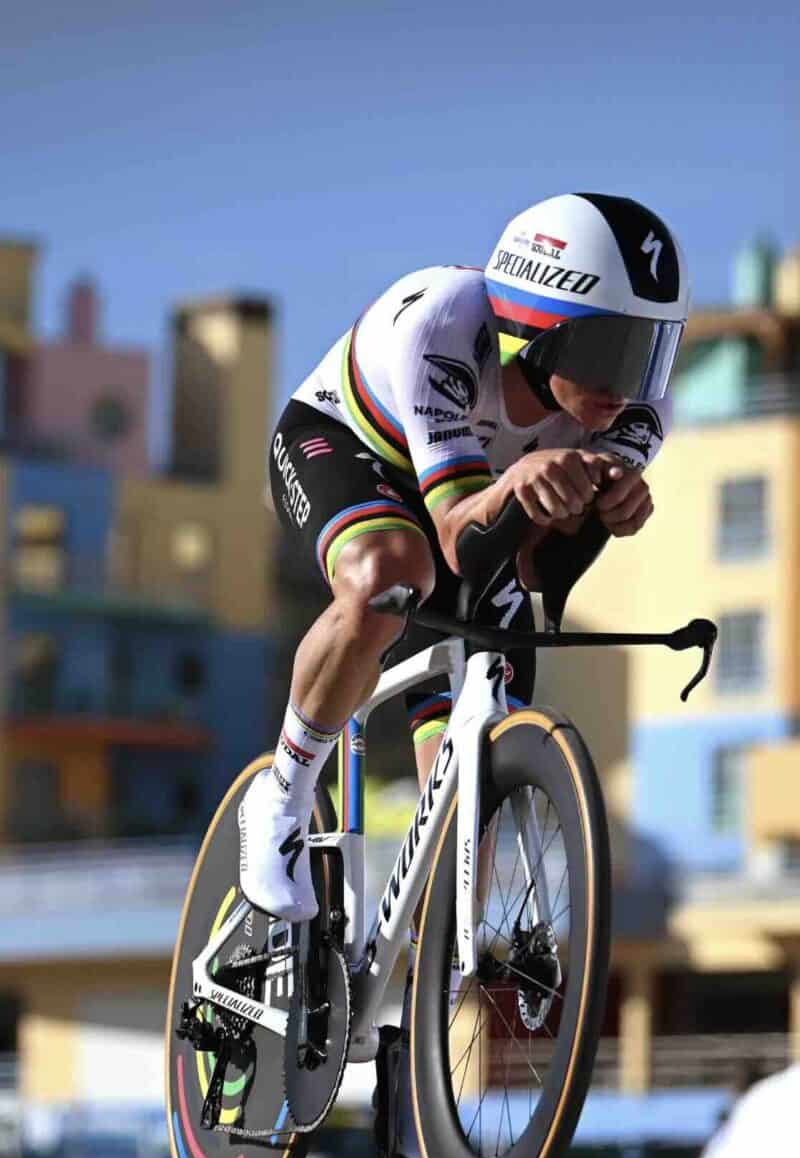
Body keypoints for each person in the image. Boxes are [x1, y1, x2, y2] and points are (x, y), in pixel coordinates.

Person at [243, 193, 689, 919]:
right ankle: (283, 797)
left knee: (464, 808)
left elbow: (535, 568)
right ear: (534, 330)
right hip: (353, 450)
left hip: (478, 503)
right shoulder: (445, 323)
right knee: (391, 574)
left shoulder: (640, 412)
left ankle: (422, 985)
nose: (627, 386)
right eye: (611, 352)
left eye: (651, 353)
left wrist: (605, 512)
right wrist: (518, 483)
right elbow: (453, 533)